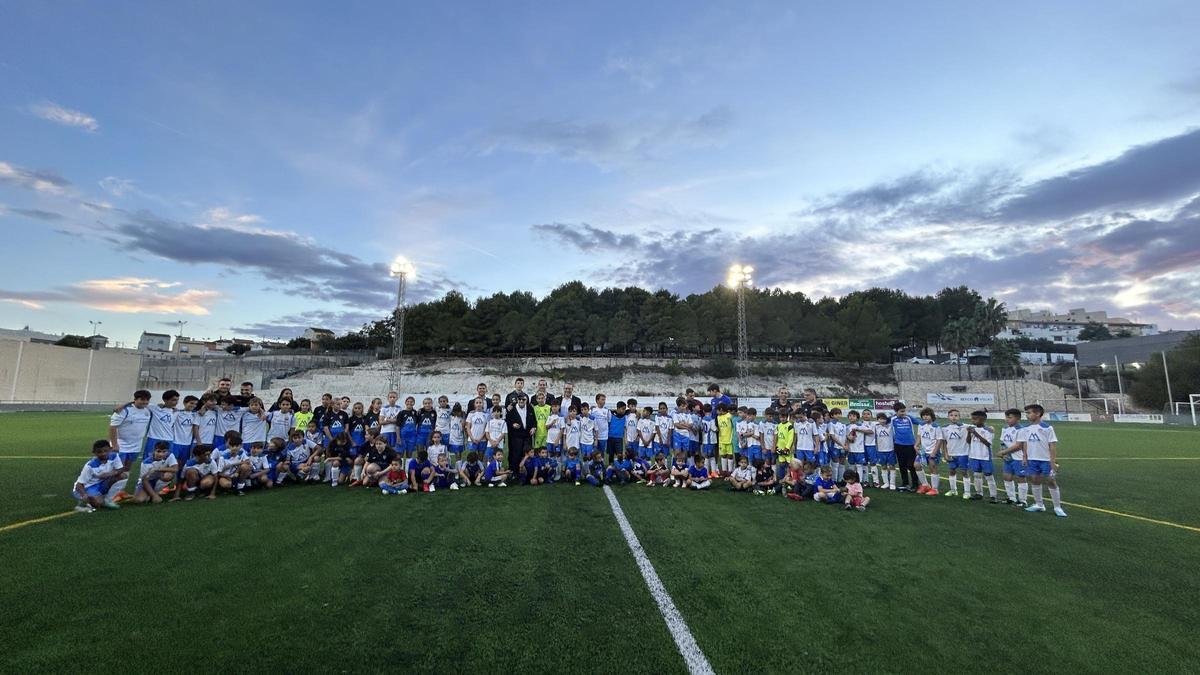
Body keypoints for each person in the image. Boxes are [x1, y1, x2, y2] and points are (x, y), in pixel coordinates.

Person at [1014, 404, 1066, 517]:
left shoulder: (1047, 428)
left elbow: (1052, 445)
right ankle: (1039, 504)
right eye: (1026, 413)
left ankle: (1057, 507)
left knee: (1051, 481)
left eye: (1029, 413)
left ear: (1037, 414)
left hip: (1045, 460)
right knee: (1034, 480)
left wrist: (1052, 461)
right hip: (1032, 459)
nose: (1027, 415)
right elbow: (1025, 443)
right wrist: (1025, 457)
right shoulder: (1025, 429)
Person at [73, 440, 127, 511]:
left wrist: (110, 474)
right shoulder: (90, 466)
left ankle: (108, 499)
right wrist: (84, 495)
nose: (103, 453)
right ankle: (88, 500)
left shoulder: (114, 456)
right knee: (98, 503)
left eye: (106, 451)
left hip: (102, 482)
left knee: (123, 476)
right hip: (89, 486)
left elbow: (120, 469)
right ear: (94, 453)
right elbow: (79, 485)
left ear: (110, 450)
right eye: (99, 452)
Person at [109, 390, 152, 470]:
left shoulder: (148, 411)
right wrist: (114, 445)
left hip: (136, 446)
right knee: (117, 469)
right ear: (135, 399)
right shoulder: (124, 410)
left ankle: (125, 478)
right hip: (121, 445)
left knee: (127, 468)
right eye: (142, 399)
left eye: (147, 400)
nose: (145, 402)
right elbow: (113, 427)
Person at [965, 410, 998, 502]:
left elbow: (988, 443)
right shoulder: (972, 428)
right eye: (972, 419)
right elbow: (968, 441)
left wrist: (975, 433)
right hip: (974, 456)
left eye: (975, 419)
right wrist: (969, 433)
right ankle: (979, 493)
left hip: (985, 456)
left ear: (983, 419)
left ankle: (993, 496)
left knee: (988, 475)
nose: (972, 421)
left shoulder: (988, 430)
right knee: (977, 475)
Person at [890, 402, 923, 493]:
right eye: (901, 411)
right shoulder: (892, 419)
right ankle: (905, 483)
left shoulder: (909, 418)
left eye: (904, 411)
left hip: (910, 445)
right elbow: (882, 422)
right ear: (896, 411)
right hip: (898, 445)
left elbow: (921, 423)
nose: (903, 413)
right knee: (902, 465)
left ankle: (915, 484)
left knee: (911, 465)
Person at [997, 408, 1027, 505]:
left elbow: (1019, 445)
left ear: (1018, 419)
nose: (1007, 419)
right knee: (1007, 477)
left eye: (1010, 417)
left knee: (1020, 477)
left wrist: (1003, 452)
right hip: (1007, 457)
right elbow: (1002, 442)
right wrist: (1003, 453)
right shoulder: (1005, 428)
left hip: (1019, 457)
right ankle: (1011, 498)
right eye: (1006, 417)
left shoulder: (1021, 429)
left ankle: (1022, 500)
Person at [942, 409, 970, 498]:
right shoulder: (944, 428)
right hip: (951, 454)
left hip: (963, 454)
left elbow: (978, 426)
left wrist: (989, 428)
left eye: (956, 415)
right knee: (952, 471)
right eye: (951, 415)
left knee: (964, 471)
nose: (953, 417)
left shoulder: (966, 426)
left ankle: (967, 492)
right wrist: (945, 454)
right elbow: (944, 442)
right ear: (948, 417)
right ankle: (953, 490)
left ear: (959, 417)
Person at [506, 393, 536, 475]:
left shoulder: (530, 408)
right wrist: (513, 425)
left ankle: (527, 473)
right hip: (516, 436)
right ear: (517, 400)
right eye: (520, 399)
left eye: (523, 399)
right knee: (516, 454)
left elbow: (534, 420)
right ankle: (515, 473)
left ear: (526, 400)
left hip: (527, 436)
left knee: (527, 454)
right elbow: (507, 420)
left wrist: (534, 428)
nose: (521, 401)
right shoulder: (512, 408)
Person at [916, 408, 943, 495]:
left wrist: (934, 452)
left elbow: (939, 440)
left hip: (933, 451)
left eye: (927, 415)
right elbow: (919, 436)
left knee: (932, 468)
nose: (925, 417)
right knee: (916, 465)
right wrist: (916, 445)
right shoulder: (921, 425)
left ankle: (935, 489)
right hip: (923, 451)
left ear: (932, 416)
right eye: (923, 415)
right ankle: (925, 485)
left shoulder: (936, 426)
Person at [874, 412, 897, 490]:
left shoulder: (890, 426)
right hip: (880, 450)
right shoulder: (876, 427)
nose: (882, 421)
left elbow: (893, 418)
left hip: (890, 449)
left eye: (884, 419)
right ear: (878, 420)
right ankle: (886, 483)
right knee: (883, 466)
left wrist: (892, 415)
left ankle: (892, 483)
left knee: (892, 466)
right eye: (880, 419)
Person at [592, 394, 612, 462]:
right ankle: (594, 466)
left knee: (602, 452)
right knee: (594, 453)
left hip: (603, 436)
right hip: (594, 436)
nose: (604, 401)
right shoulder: (593, 410)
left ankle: (601, 465)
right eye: (602, 399)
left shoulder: (607, 411)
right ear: (597, 400)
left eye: (604, 400)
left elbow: (609, 422)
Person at [716, 403, 734, 475]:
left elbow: (733, 426)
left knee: (730, 455)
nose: (717, 412)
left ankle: (730, 470)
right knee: (723, 455)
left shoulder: (729, 416)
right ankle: (724, 470)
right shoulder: (718, 417)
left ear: (721, 410)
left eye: (717, 410)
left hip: (729, 439)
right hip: (721, 440)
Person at [608, 400, 628, 464]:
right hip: (610, 437)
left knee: (619, 454)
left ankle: (620, 466)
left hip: (619, 438)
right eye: (623, 409)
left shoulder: (625, 416)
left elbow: (625, 428)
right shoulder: (611, 414)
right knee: (611, 454)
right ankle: (610, 466)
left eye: (625, 409)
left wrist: (625, 439)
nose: (624, 410)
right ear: (618, 408)